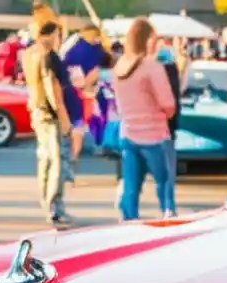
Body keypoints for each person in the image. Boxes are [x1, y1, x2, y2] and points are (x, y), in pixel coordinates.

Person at [112, 17, 176, 221]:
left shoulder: (120, 66)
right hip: (154, 134)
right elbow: (168, 104)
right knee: (164, 182)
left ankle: (129, 221)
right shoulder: (152, 67)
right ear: (147, 40)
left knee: (131, 186)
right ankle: (168, 216)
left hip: (128, 132)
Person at [23, 20, 74, 227]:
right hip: (50, 114)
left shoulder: (30, 54)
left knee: (44, 160)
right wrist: (65, 119)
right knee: (56, 162)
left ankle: (46, 200)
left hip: (37, 112)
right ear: (52, 34)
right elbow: (53, 88)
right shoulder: (48, 56)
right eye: (59, 35)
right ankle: (55, 205)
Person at [61, 25, 107, 173]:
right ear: (95, 36)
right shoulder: (95, 52)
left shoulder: (72, 50)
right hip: (89, 91)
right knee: (95, 118)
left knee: (75, 123)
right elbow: (97, 70)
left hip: (70, 91)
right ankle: (95, 145)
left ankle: (71, 155)